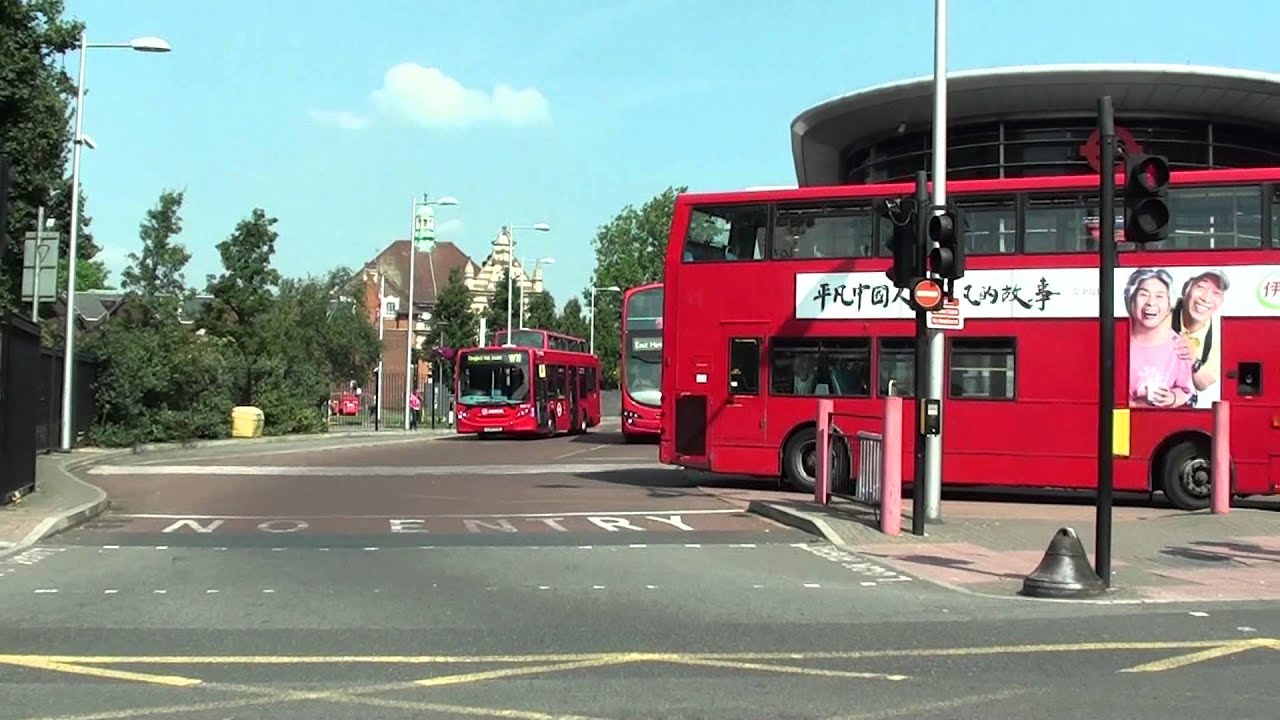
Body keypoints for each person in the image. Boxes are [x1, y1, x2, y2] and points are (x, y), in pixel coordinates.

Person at [1123, 268, 1193, 409]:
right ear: (1131, 300)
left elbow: (1186, 391)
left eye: (1159, 296)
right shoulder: (1115, 340)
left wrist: (1171, 399)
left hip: (1160, 422)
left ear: (1169, 306)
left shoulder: (1179, 346)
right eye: (1143, 294)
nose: (1151, 302)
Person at [1171, 269, 1229, 405]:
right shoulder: (1161, 315)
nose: (1206, 298)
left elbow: (1203, 384)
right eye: (1201, 287)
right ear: (1186, 290)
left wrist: (1192, 359)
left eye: (1216, 293)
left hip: (1183, 403)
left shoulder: (1220, 337)